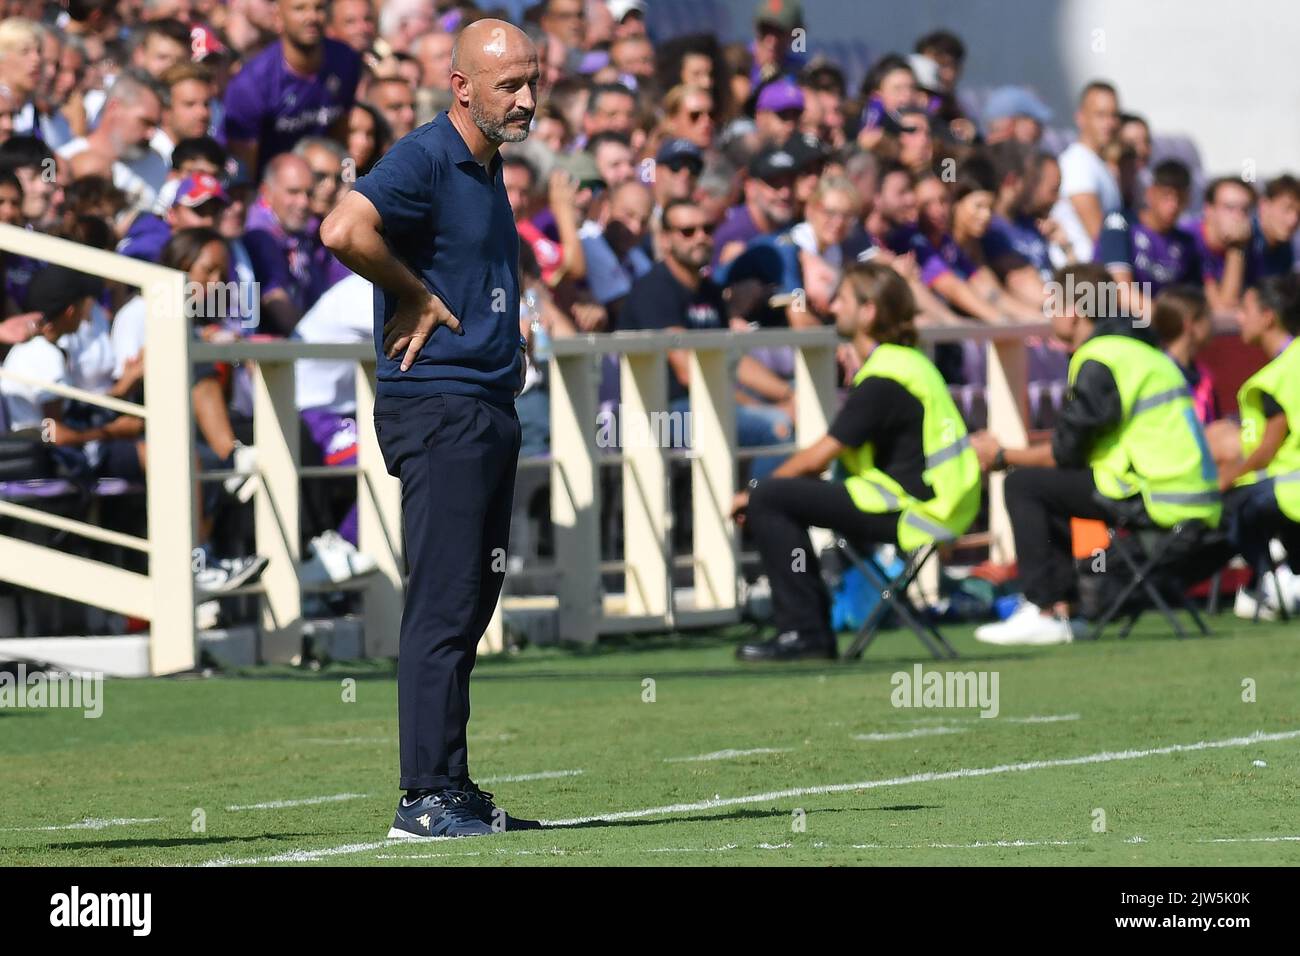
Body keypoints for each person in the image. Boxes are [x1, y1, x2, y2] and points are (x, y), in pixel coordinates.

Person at [320, 17, 540, 838]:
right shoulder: (425, 155)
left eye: (531, 80)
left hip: (482, 403)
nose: (525, 98)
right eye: (508, 84)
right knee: (444, 606)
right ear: (462, 87)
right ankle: (424, 798)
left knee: (471, 603)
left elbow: (470, 265)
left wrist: (508, 325)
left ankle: (452, 784)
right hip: (439, 407)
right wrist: (410, 294)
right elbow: (343, 229)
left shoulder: (486, 167)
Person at [730, 261, 980, 660]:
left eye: (842, 298)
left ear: (869, 312)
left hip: (911, 511)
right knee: (778, 495)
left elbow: (820, 456)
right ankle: (808, 628)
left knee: (771, 498)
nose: (832, 306)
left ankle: (804, 631)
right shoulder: (906, 364)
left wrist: (751, 494)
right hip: (928, 505)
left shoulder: (885, 376)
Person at [970, 264, 1221, 646]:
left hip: (1158, 498)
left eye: (1053, 305)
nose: (1050, 314)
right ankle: (1065, 610)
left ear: (1074, 310)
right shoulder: (1142, 352)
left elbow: (1066, 454)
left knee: (1025, 485)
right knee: (1047, 486)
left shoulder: (1099, 358)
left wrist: (1001, 454)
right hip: (1194, 499)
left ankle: (1044, 607)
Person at [1214, 275, 1300, 618]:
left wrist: (1227, 477)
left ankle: (1272, 577)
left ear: (1268, 317)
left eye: (1245, 309)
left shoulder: (1277, 375)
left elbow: (1268, 448)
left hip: (1289, 487)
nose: (1238, 318)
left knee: (1229, 508)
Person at [1051, 81, 1122, 262]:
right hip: (1084, 281)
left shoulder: (1099, 164)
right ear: (1081, 118)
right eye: (1100, 115)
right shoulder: (1077, 163)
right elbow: (1100, 235)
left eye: (1114, 115)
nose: (1109, 123)